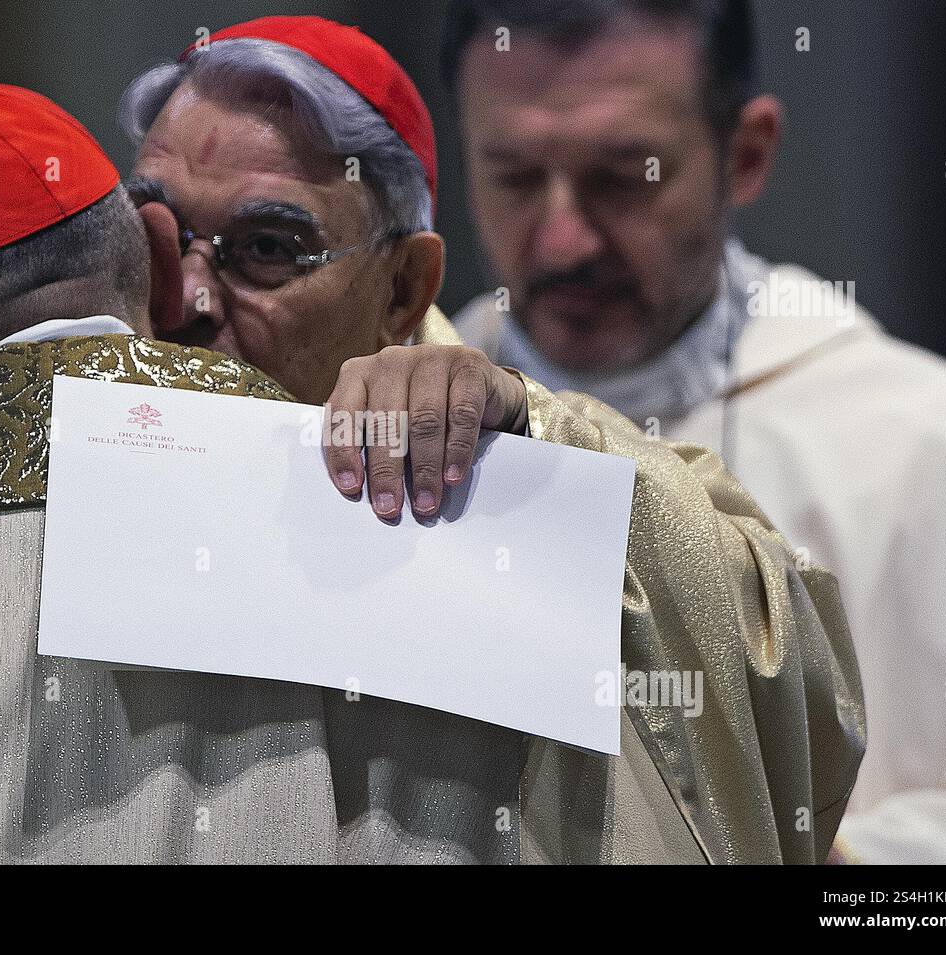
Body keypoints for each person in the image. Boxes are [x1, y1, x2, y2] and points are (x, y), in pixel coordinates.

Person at [121, 16, 863, 862]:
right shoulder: (84, 456)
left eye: (266, 248)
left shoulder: (504, 456)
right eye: (156, 237)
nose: (188, 299)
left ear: (404, 289)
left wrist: (536, 438)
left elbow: (793, 688)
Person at [443, 0, 946, 862]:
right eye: (513, 176)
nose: (561, 242)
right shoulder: (380, 437)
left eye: (623, 177)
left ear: (745, 154)